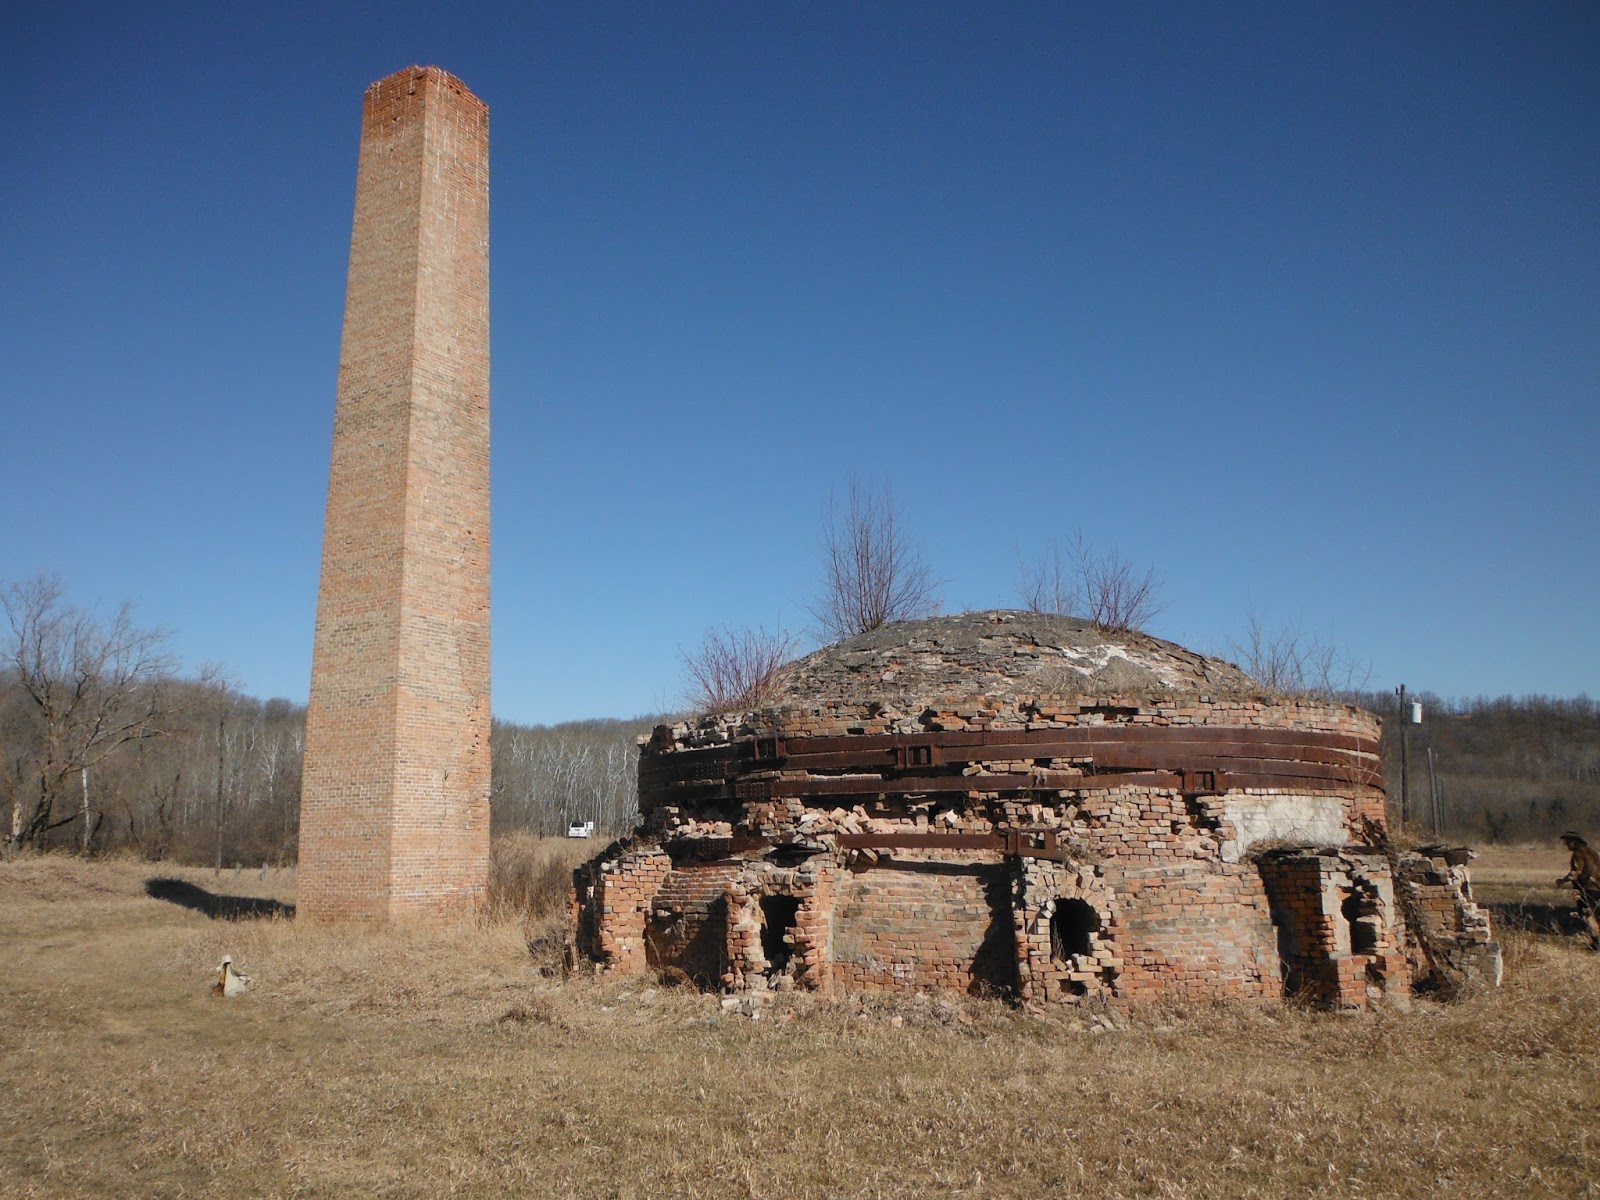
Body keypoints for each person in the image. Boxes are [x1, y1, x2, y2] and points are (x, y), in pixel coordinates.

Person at [1557, 832, 1600, 950]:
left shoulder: (1578, 854)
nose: (1566, 845)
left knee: (1587, 914)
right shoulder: (1592, 852)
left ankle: (1597, 942)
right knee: (1596, 913)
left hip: (1585, 888)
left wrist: (1563, 880)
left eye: (1567, 842)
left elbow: (1577, 871)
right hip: (1597, 886)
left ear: (1574, 842)